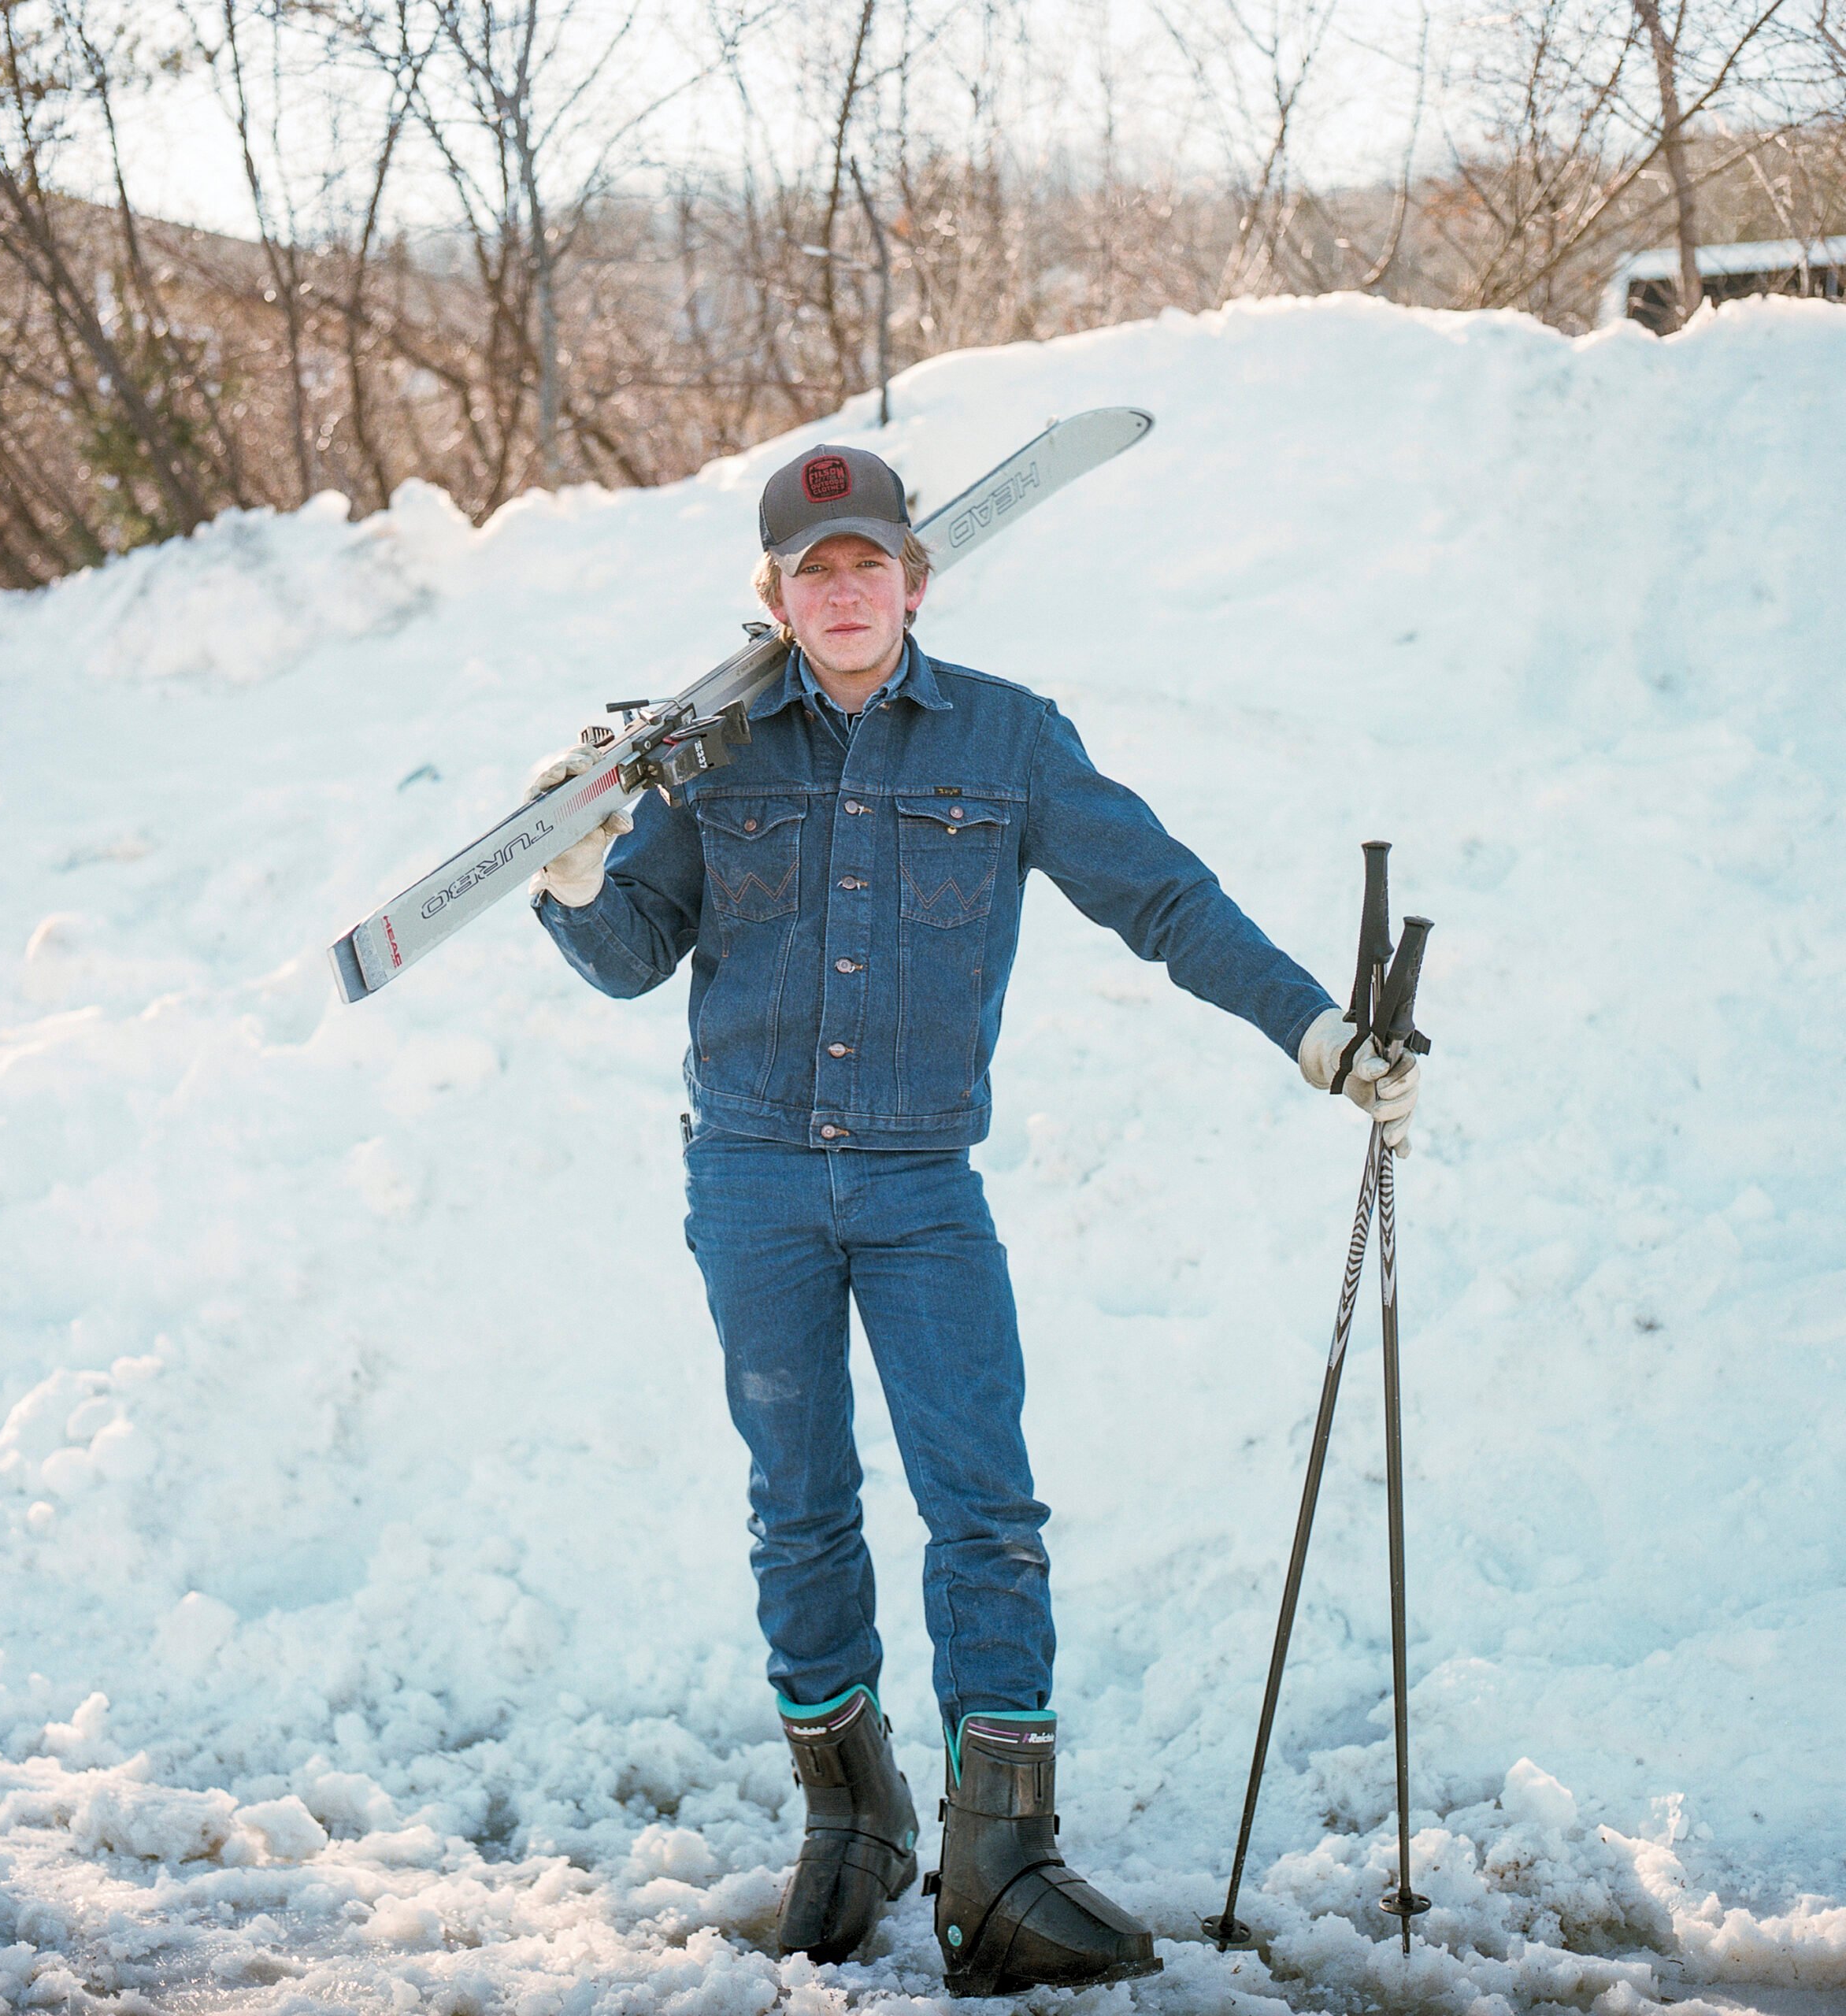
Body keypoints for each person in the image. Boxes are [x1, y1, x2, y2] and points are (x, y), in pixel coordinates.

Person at [527, 441, 1421, 1996]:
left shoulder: (1007, 739)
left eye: (868, 561)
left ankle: (998, 1852)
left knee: (983, 1507)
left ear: (914, 579)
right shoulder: (714, 755)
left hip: (919, 1183)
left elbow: (1165, 899)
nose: (844, 588)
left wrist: (1310, 1032)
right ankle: (849, 1816)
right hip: (747, 1179)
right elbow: (626, 956)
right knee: (794, 1502)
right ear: (777, 595)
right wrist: (572, 871)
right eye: (812, 570)